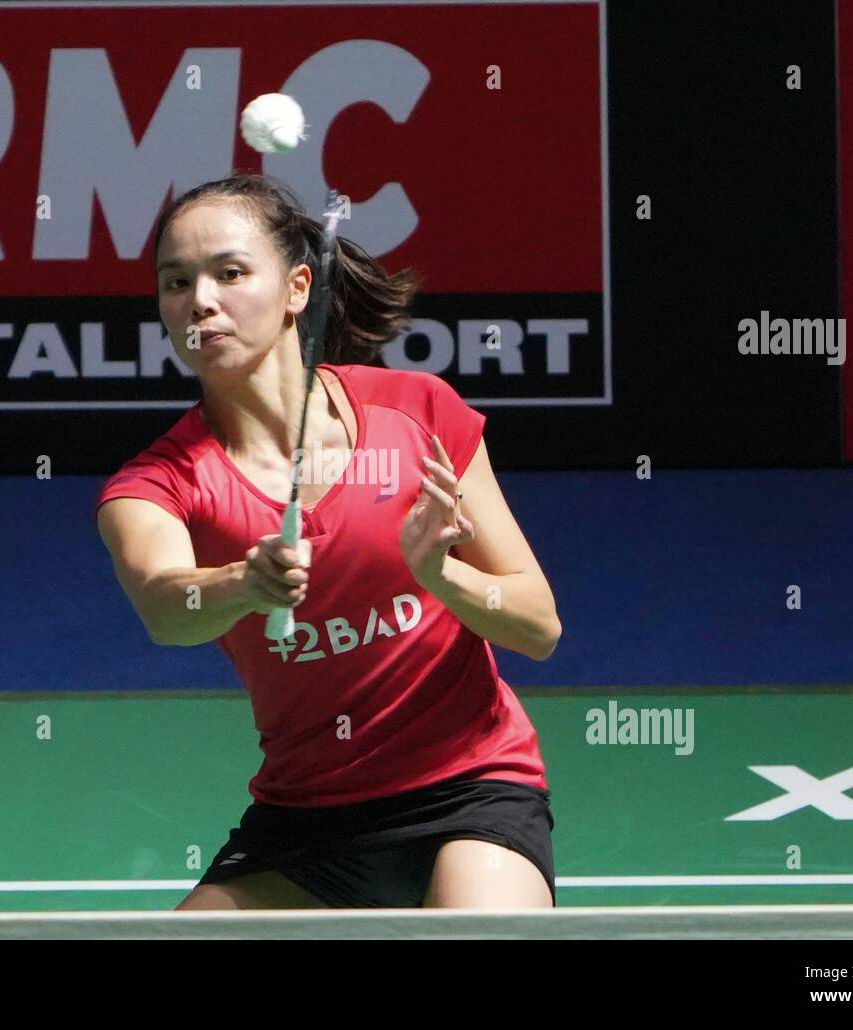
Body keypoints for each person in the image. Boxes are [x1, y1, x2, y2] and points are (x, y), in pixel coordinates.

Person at [96, 172, 562, 909]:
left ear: (297, 288)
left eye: (230, 272)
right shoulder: (158, 483)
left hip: (469, 793)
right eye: (176, 282)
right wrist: (241, 584)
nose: (201, 301)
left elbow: (539, 627)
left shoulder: (418, 413)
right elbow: (165, 606)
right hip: (305, 820)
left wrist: (440, 577)